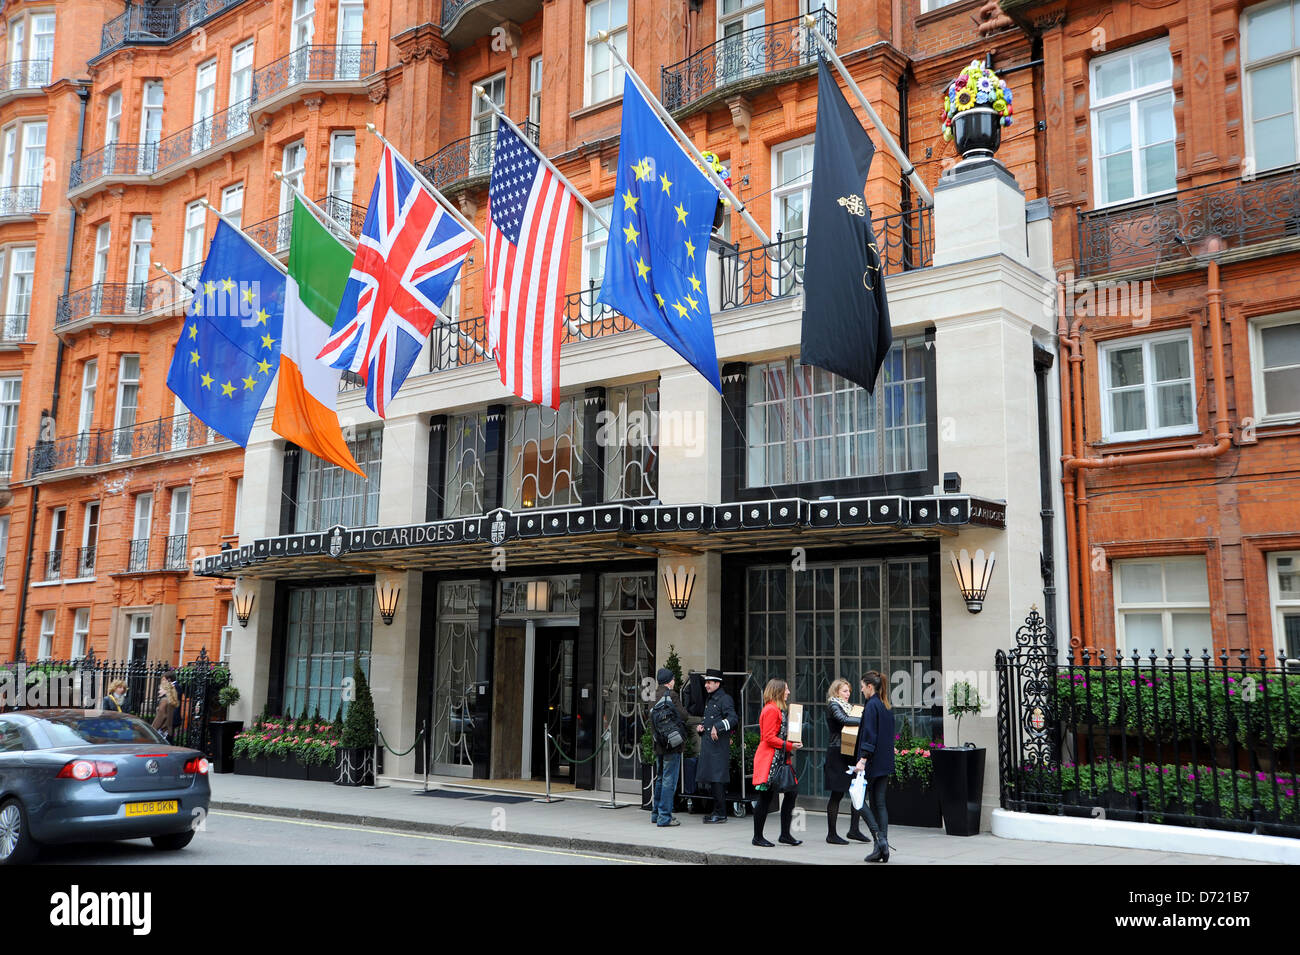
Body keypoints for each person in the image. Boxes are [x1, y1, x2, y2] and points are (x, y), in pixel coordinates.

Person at [751, 678, 802, 847]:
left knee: (791, 793)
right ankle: (758, 837)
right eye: (786, 689)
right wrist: (790, 745)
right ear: (778, 691)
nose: (788, 692)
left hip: (777, 759)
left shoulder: (776, 709)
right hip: (770, 761)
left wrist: (791, 743)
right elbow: (768, 737)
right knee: (765, 798)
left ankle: (785, 835)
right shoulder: (772, 710)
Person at [853, 670, 897, 863]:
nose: (861, 690)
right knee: (880, 804)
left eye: (863, 686)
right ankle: (881, 848)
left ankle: (879, 839)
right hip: (884, 762)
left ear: (870, 686)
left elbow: (870, 735)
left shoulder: (871, 705)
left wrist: (862, 759)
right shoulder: (885, 705)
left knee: (858, 800)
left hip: (871, 762)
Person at [824, 677, 869, 844]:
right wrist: (866, 719)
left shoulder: (849, 707)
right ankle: (832, 834)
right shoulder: (833, 705)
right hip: (837, 753)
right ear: (836, 692)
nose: (848, 694)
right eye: (844, 691)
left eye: (849, 691)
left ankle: (854, 829)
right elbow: (843, 720)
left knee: (856, 790)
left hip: (850, 752)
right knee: (837, 793)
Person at [695, 668, 738, 824]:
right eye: (706, 682)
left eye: (709, 682)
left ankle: (720, 813)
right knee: (712, 780)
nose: (706, 685)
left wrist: (718, 726)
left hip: (718, 747)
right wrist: (702, 728)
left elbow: (733, 718)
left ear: (717, 683)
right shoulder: (711, 698)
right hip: (709, 745)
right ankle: (717, 811)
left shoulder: (724, 699)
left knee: (717, 780)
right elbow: (709, 721)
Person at [650, 667, 690, 828]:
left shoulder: (653, 695)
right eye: (673, 679)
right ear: (669, 681)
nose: (674, 681)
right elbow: (684, 716)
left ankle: (655, 814)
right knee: (669, 780)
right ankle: (665, 817)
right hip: (672, 744)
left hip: (658, 743)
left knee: (660, 778)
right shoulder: (671, 695)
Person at [152, 670, 179, 742]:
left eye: (160, 689)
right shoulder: (171, 701)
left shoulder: (164, 701)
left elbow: (161, 717)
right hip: (168, 732)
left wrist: (152, 730)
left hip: (161, 732)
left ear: (165, 690)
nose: (159, 691)